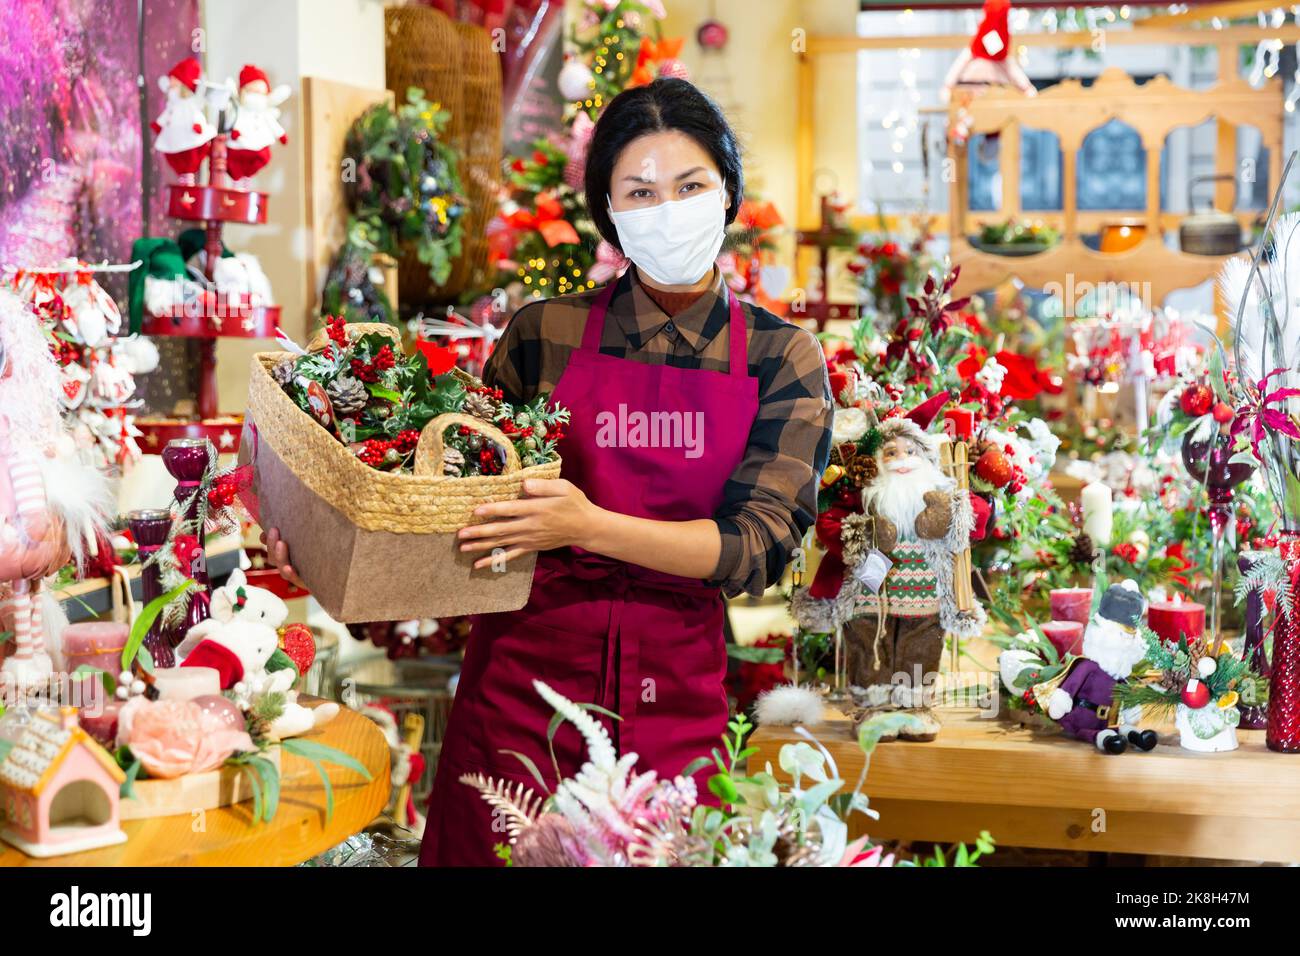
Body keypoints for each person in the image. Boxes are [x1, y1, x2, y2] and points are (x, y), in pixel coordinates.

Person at [263, 78, 832, 866]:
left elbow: (757, 548)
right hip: (518, 696)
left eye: (690, 186)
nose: (668, 209)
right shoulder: (546, 334)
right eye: (641, 191)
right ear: (609, 211)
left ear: (726, 191)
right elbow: (449, 507)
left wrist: (589, 527)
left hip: (675, 707)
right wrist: (327, 551)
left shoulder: (781, 357)